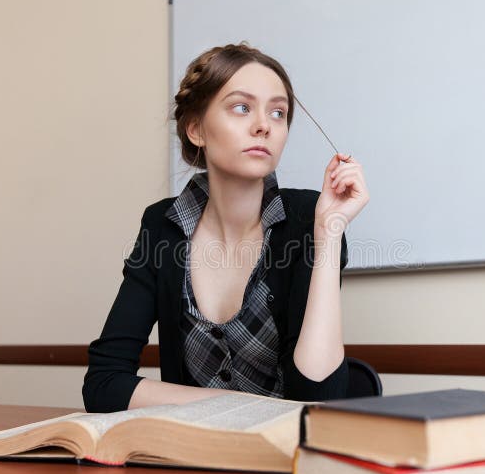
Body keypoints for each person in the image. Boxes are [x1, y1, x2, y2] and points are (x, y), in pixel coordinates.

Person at [83, 43, 369, 412]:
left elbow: (318, 399)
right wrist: (237, 404)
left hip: (285, 459)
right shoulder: (161, 226)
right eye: (241, 107)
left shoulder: (309, 219)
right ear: (196, 129)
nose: (264, 125)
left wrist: (329, 232)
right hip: (194, 457)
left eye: (278, 112)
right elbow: (104, 384)